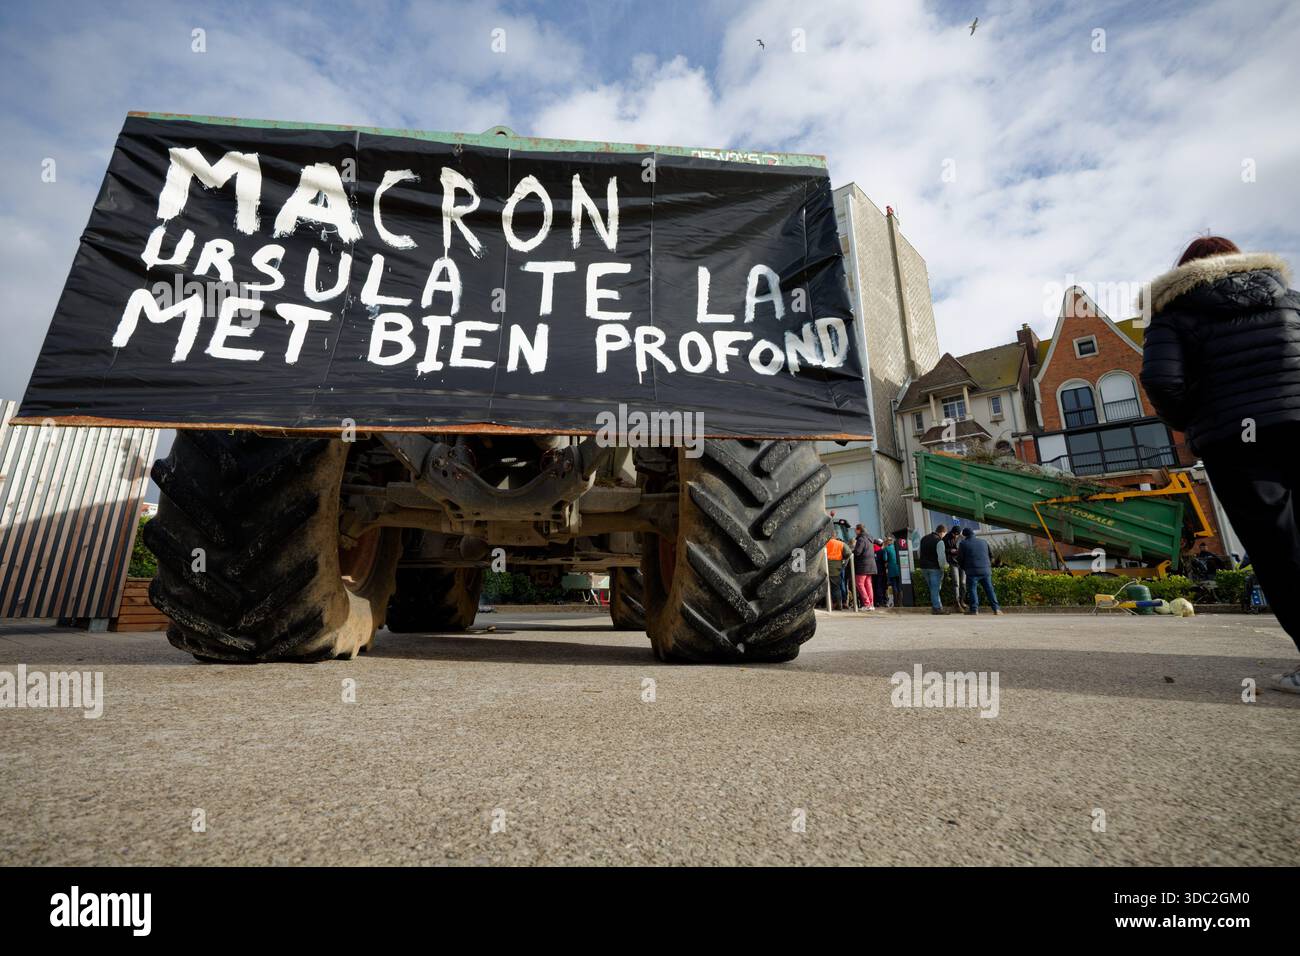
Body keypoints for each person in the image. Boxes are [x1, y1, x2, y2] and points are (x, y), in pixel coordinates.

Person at [1141, 236, 1300, 694]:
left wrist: (1195, 421)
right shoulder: (1290, 301)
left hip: (1238, 442)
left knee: (1277, 551)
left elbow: (1160, 379)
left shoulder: (1174, 313)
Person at [958, 527, 1002, 614]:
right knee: (989, 590)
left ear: (964, 535)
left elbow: (960, 559)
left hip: (972, 571)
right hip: (986, 570)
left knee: (972, 590)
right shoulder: (983, 542)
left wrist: (964, 567)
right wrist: (987, 565)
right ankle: (996, 609)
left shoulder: (963, 543)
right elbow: (991, 556)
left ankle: (974, 610)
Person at [916, 523, 950, 615]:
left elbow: (919, 553)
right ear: (942, 532)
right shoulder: (939, 541)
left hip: (924, 567)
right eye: (945, 534)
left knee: (933, 588)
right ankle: (937, 608)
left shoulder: (923, 538)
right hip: (935, 568)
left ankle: (938, 606)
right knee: (935, 588)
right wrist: (944, 567)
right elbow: (941, 557)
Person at [853, 524, 876, 610]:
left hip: (863, 565)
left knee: (859, 583)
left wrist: (853, 551)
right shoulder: (870, 539)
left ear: (859, 530)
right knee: (868, 584)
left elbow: (858, 552)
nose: (855, 531)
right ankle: (871, 604)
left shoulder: (861, 539)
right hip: (871, 565)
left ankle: (867, 604)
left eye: (855, 529)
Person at [825, 532, 847, 609]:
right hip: (838, 566)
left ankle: (836, 604)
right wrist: (843, 563)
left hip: (827, 565)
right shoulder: (841, 543)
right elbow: (849, 553)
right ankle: (839, 603)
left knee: (832, 587)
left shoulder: (825, 543)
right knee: (836, 586)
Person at [881, 537, 901, 607]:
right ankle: (900, 601)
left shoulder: (886, 549)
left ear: (887, 542)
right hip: (898, 569)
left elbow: (885, 559)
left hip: (891, 569)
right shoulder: (896, 547)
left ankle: (896, 602)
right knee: (899, 585)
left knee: (894, 585)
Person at [872, 538, 889, 608]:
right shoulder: (882, 551)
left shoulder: (870, 551)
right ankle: (882, 601)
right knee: (881, 586)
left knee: (874, 586)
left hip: (872, 571)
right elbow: (885, 561)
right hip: (881, 571)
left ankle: (875, 601)